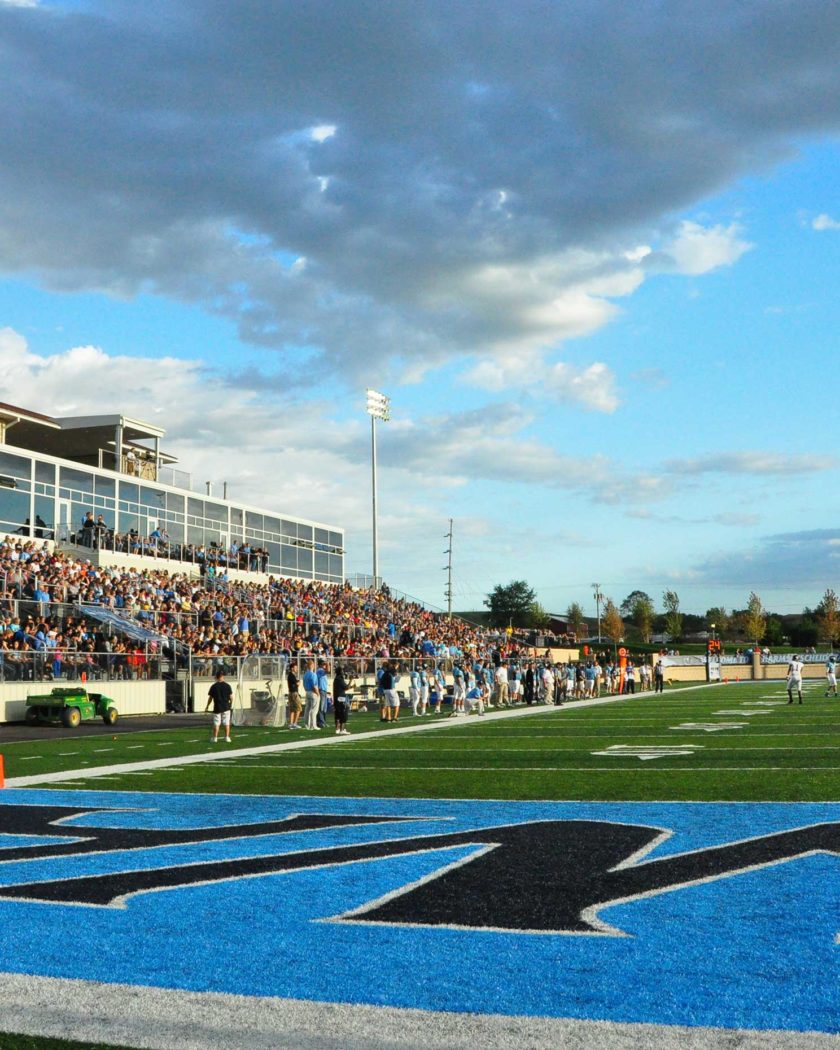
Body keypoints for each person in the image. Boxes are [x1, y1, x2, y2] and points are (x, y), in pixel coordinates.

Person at [205, 669, 233, 743]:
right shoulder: (227, 686)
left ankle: (215, 738)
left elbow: (210, 698)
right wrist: (230, 705)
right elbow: (231, 697)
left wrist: (207, 706)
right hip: (226, 706)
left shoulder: (214, 686)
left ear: (216, 677)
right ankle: (227, 737)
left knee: (216, 723)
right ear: (222, 676)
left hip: (217, 707)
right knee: (226, 723)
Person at [302, 658, 321, 729]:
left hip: (307, 692)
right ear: (312, 665)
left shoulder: (305, 674)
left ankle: (307, 724)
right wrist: (317, 693)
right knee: (314, 709)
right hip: (313, 692)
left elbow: (303, 684)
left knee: (307, 709)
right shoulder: (313, 674)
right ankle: (313, 725)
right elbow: (314, 685)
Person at [333, 664, 350, 735]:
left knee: (337, 713)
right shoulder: (340, 679)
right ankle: (342, 729)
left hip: (337, 697)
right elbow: (346, 687)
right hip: (341, 698)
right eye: (342, 670)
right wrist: (351, 680)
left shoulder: (336, 679)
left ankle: (337, 728)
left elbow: (342, 688)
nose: (343, 672)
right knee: (343, 713)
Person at [286, 663, 302, 728]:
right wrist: (299, 682)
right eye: (295, 667)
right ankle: (295, 723)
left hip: (291, 693)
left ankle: (291, 723)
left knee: (292, 709)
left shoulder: (291, 675)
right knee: (298, 709)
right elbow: (297, 684)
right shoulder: (291, 675)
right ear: (292, 668)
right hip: (294, 693)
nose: (297, 669)